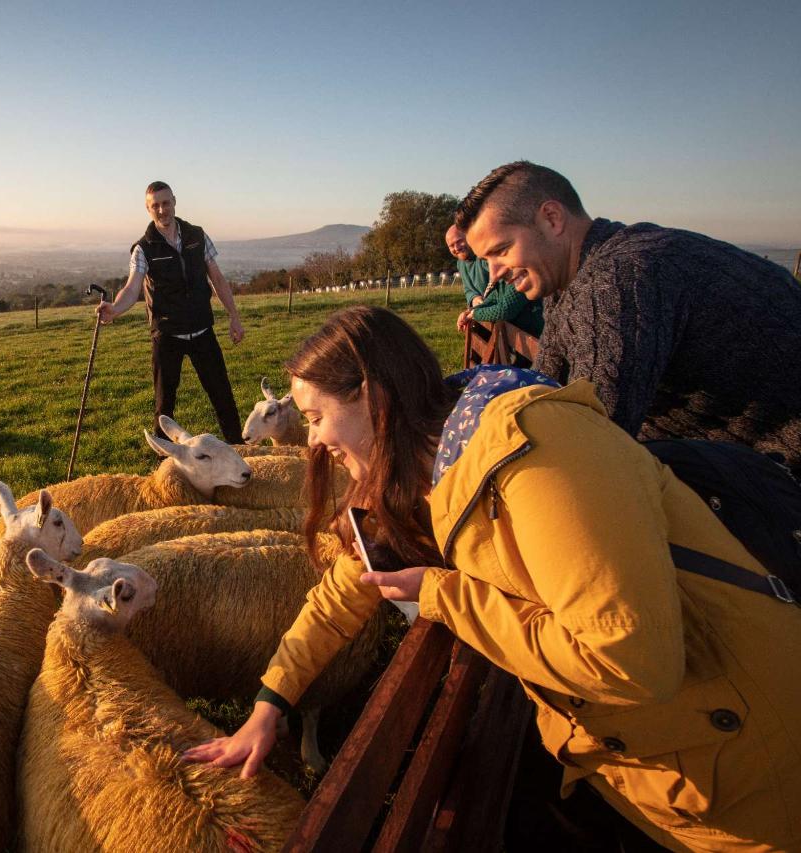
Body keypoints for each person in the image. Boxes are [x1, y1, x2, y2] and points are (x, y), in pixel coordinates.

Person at [183, 305, 801, 851]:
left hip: (753, 772)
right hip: (656, 776)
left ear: (372, 396)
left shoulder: (541, 452)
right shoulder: (417, 468)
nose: (311, 441)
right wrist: (271, 702)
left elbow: (633, 661)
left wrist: (443, 595)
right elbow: (344, 592)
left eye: (316, 417)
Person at [455, 160, 801, 471]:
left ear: (552, 218)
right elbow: (548, 388)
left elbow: (594, 439)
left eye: (501, 251)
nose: (494, 272)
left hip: (776, 479)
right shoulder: (568, 281)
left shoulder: (620, 277)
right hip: (719, 460)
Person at [96, 181, 246, 443]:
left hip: (202, 331)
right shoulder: (143, 247)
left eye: (166, 203)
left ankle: (240, 453)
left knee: (224, 398)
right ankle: (162, 471)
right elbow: (133, 287)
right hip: (167, 335)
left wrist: (234, 316)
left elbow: (218, 280)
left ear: (175, 201)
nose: (162, 210)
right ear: (148, 209)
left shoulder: (197, 236)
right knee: (165, 408)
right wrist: (115, 309)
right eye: (155, 205)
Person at [448, 224, 544, 338]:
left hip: (535, 341)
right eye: (451, 245)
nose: (492, 272)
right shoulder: (503, 280)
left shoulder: (521, 275)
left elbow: (505, 310)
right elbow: (493, 298)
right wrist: (470, 311)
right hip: (516, 341)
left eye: (459, 241)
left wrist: (475, 314)